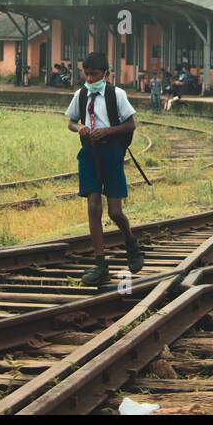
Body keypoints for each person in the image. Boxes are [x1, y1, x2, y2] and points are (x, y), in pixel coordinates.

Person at [66, 51, 145, 287]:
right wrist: (79, 127)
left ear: (106, 74)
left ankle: (131, 242)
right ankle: (101, 264)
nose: (90, 79)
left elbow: (131, 123)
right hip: (89, 153)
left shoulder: (116, 94)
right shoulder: (80, 95)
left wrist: (107, 130)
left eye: (95, 75)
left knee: (114, 211)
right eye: (86, 74)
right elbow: (70, 121)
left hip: (111, 153)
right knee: (92, 207)